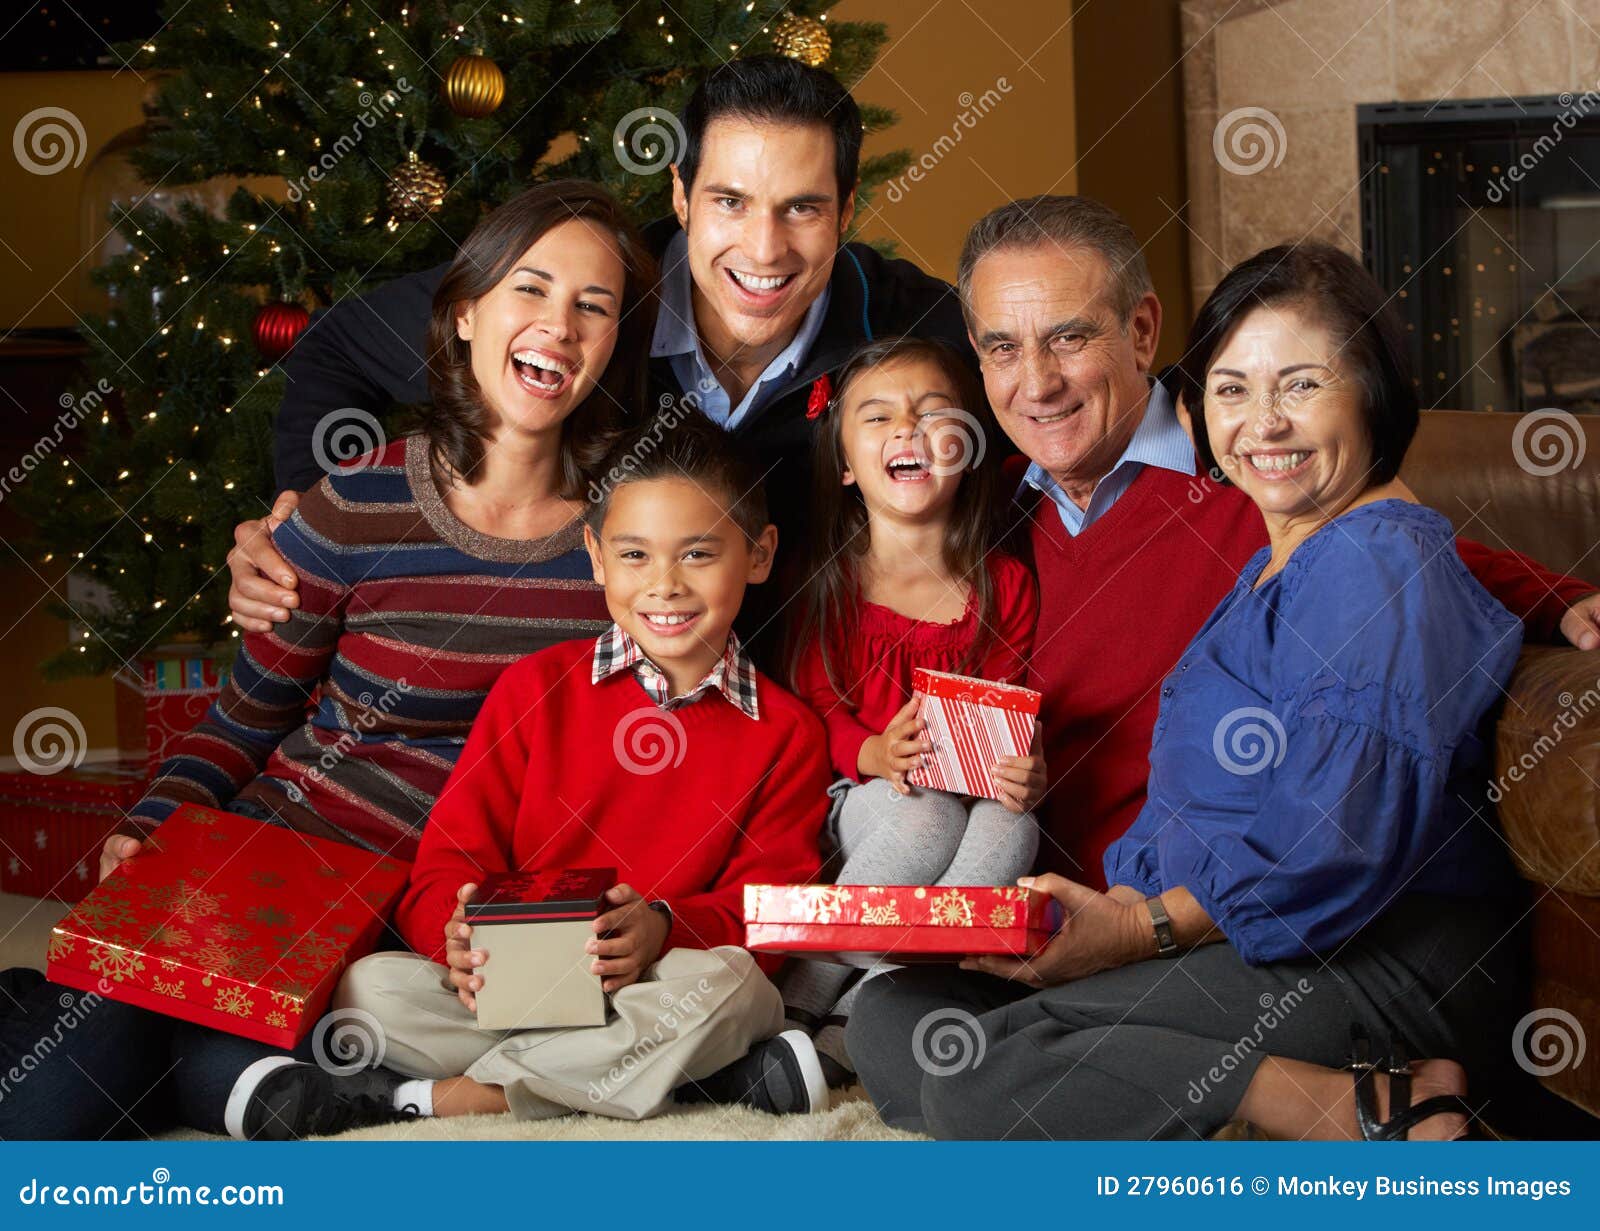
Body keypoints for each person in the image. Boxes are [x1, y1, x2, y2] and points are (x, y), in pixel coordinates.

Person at [0, 179, 655, 1139]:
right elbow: (239, 723)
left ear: (615, 346)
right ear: (466, 312)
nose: (557, 326)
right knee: (61, 1106)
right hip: (275, 877)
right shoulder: (350, 504)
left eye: (593, 306)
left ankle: (41, 1002)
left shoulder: (630, 541)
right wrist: (149, 826)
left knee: (274, 1084)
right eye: (530, 288)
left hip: (436, 928)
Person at [849, 241, 1529, 1141]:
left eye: (1300, 385)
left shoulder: (1374, 560)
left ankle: (1358, 1107)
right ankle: (1219, 1116)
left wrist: (1140, 932)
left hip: (1375, 954)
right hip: (1243, 940)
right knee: (897, 1019)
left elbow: (1332, 842)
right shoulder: (1276, 560)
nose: (1263, 424)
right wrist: (1112, 915)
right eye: (1233, 389)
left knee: (984, 1076)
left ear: (1372, 391)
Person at [224, 56, 972, 665]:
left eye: (802, 208)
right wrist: (299, 521)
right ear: (680, 195)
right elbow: (335, 347)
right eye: (730, 202)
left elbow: (1031, 434)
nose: (765, 248)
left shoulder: (912, 329)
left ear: (845, 211)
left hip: (824, 724)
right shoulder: (578, 295)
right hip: (600, 715)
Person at [955, 195, 1600, 886]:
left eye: (1068, 338)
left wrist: (1558, 596)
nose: (1038, 383)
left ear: (1142, 331)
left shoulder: (1254, 478)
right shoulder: (980, 514)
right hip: (1010, 902)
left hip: (1182, 924)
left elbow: (1397, 559)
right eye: (1003, 347)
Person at [319, 412, 832, 1128]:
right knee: (368, 987)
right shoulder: (534, 688)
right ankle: (645, 1076)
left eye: (698, 555)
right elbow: (448, 860)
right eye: (634, 555)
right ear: (594, 557)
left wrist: (661, 926)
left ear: (759, 553)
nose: (665, 585)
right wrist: (455, 939)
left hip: (654, 983)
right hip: (509, 987)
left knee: (740, 990)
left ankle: (469, 1096)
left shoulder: (788, 733)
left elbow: (767, 911)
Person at [775, 336, 1043, 1087]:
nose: (908, 430)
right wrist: (874, 755)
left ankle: (870, 1006)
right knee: (923, 812)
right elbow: (814, 713)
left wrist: (1023, 768)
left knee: (1014, 824)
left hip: (966, 796)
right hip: (855, 800)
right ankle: (803, 1000)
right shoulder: (826, 578)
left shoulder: (1004, 583)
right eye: (880, 417)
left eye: (932, 415)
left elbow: (1007, 702)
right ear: (845, 465)